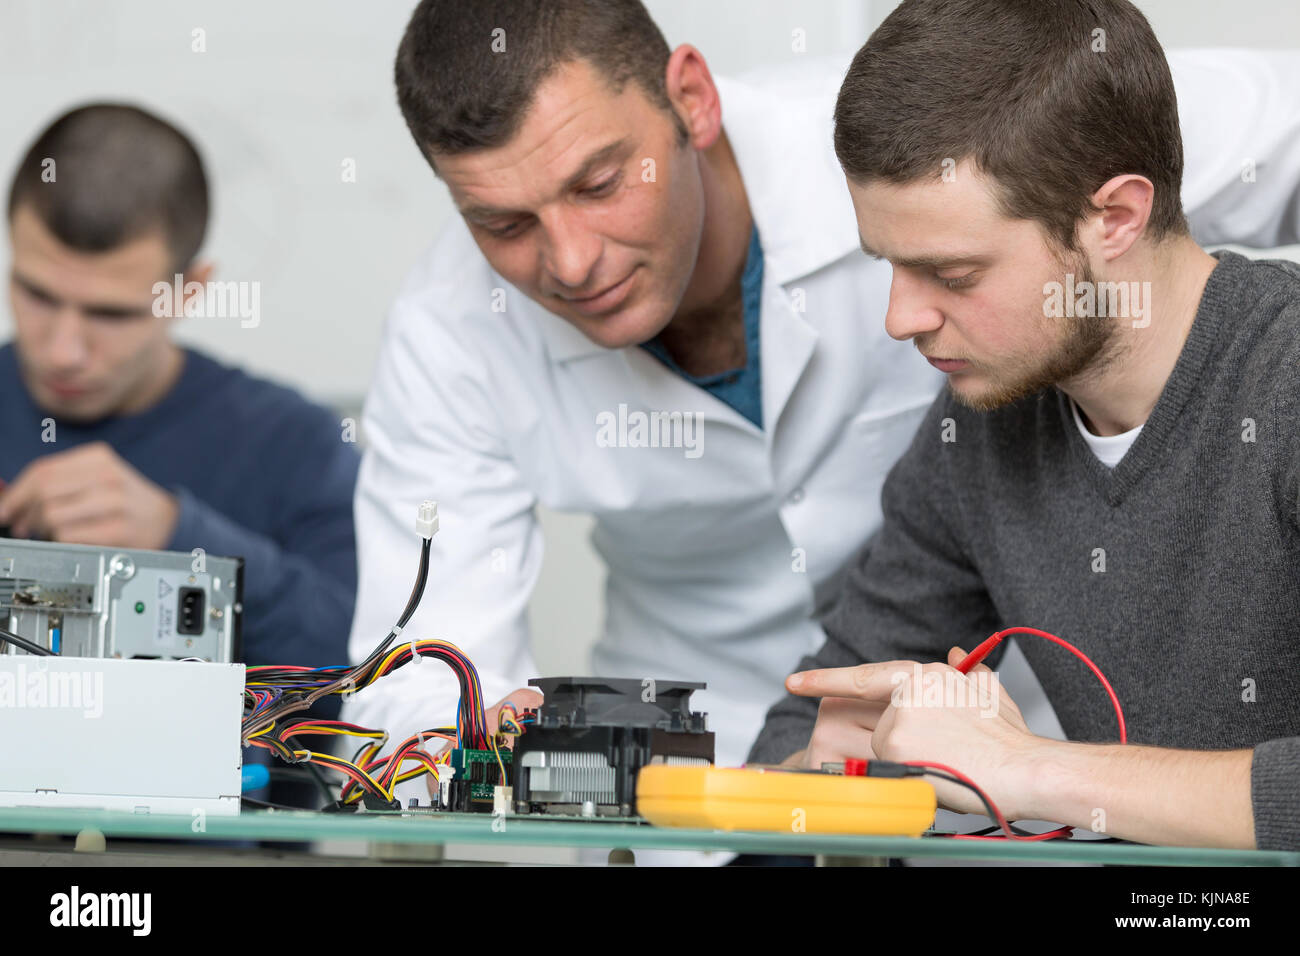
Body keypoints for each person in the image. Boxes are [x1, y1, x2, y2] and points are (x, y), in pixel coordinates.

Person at [345, 0, 1300, 797]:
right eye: (503, 224)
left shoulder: (967, 129)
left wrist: (1041, 773)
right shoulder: (451, 335)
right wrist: (483, 744)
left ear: (692, 98)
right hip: (760, 771)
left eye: (601, 183)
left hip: (1052, 767)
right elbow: (414, 685)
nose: (570, 260)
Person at [748, 0, 1300, 852]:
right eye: (890, 265)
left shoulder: (1286, 380)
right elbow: (826, 708)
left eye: (952, 272)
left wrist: (1031, 769)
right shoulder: (980, 430)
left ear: (1115, 218)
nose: (901, 317)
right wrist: (811, 782)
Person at [0, 103, 359, 677]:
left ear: (189, 290)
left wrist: (179, 536)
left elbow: (369, 664)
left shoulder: (297, 445)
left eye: (111, 314)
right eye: (37, 295)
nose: (63, 349)